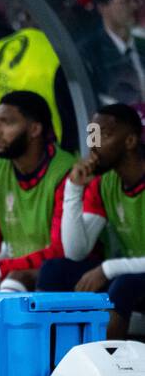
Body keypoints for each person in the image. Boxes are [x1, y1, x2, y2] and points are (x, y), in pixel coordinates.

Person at [38, 104, 145, 339]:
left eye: (103, 135)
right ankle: (53, 359)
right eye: (91, 135)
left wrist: (107, 269)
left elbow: (113, 272)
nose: (93, 145)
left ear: (130, 141)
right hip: (131, 275)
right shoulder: (104, 183)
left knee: (125, 284)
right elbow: (76, 251)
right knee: (54, 270)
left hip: (131, 278)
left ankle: (110, 366)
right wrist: (74, 189)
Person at [0, 90, 76, 291]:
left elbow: (61, 250)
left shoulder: (67, 174)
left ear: (34, 129)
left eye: (6, 123)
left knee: (17, 279)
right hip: (15, 268)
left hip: (65, 272)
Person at [78, 0, 145, 105]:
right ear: (103, 7)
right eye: (126, 1)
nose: (134, 6)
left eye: (135, 0)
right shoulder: (90, 52)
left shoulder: (142, 44)